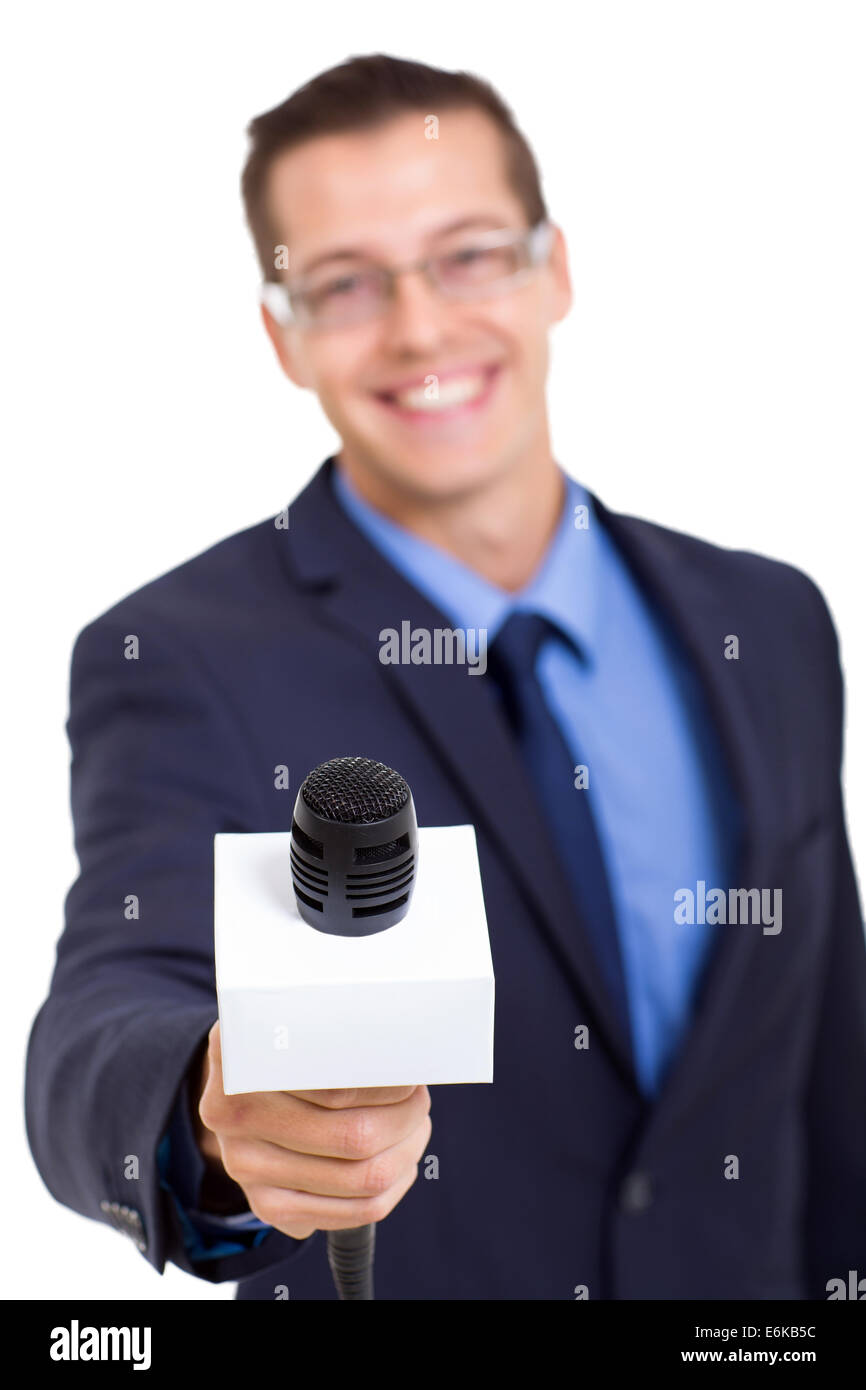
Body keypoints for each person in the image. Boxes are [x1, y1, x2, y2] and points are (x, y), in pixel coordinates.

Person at [25, 53, 865, 1301]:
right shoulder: (182, 653)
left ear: (552, 268)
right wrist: (207, 1112)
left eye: (467, 254)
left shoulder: (768, 617)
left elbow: (822, 1058)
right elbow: (109, 1004)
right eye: (346, 283)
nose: (419, 327)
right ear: (284, 334)